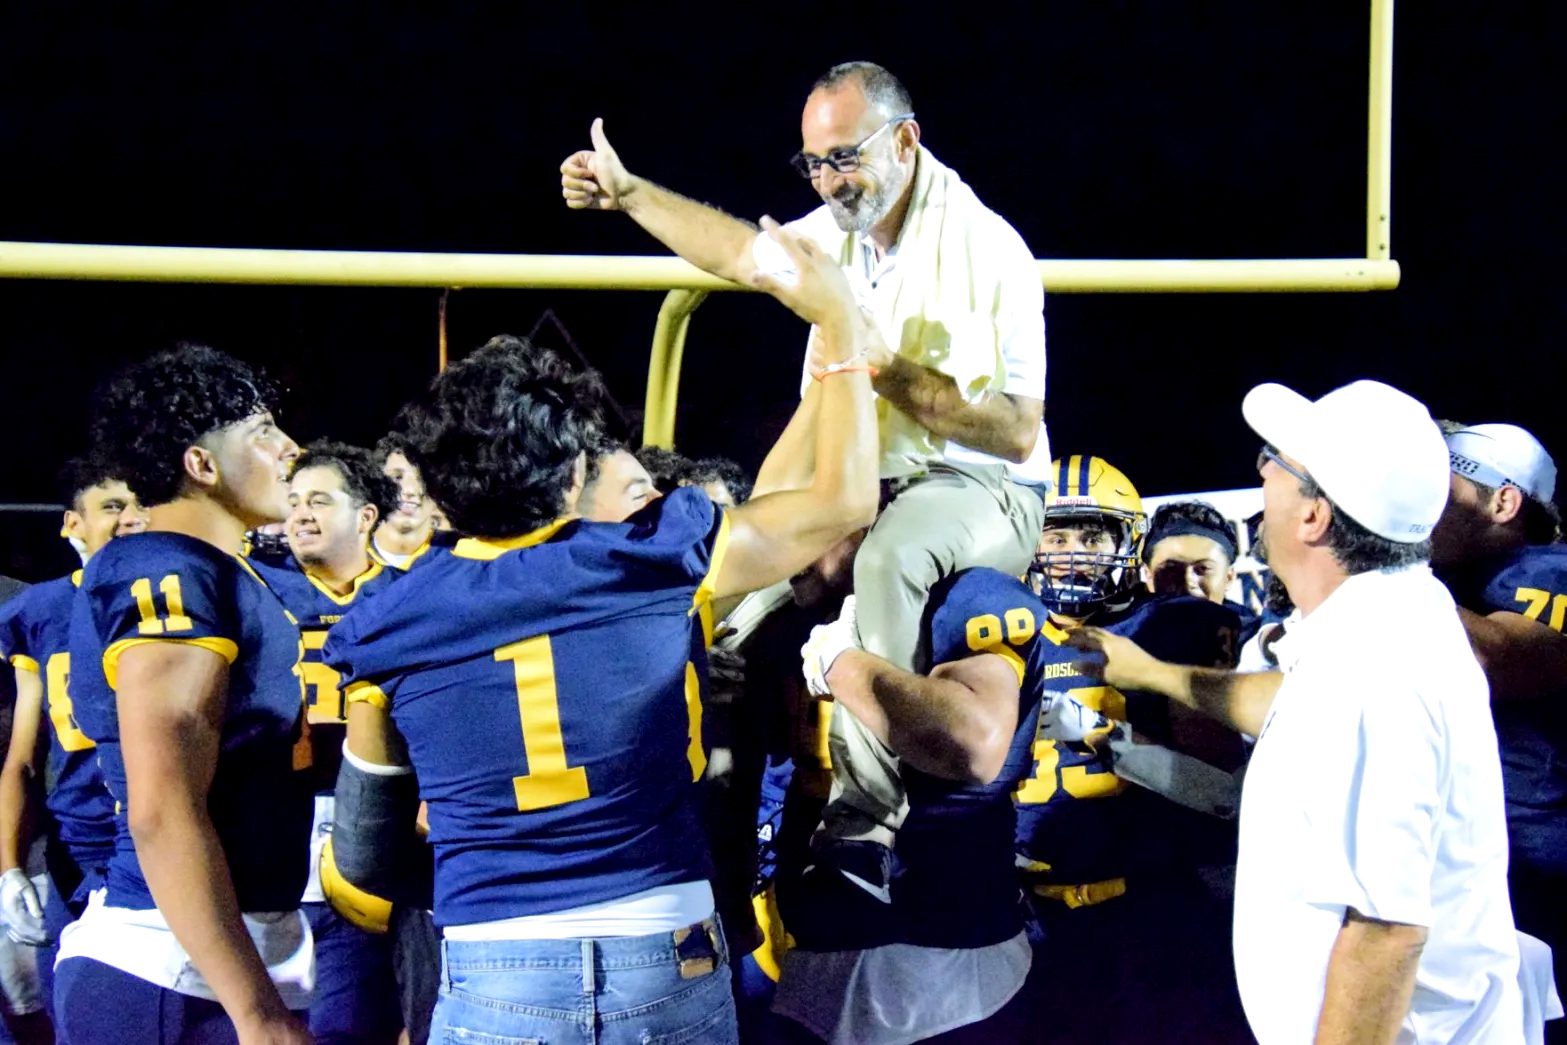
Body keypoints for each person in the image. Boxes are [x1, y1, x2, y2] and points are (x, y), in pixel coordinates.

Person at [322, 221, 879, 1044]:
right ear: (575, 471)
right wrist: (838, 326)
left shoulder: (387, 618)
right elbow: (844, 499)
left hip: (494, 958)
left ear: (436, 486)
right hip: (665, 940)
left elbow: (367, 854)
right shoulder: (652, 556)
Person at [563, 58, 1049, 898]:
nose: (827, 181)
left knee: (887, 558)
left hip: (976, 484)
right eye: (813, 163)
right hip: (859, 477)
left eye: (843, 158)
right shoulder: (838, 230)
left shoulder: (990, 249)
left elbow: (1014, 431)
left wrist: (882, 366)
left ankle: (870, 820)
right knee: (722, 603)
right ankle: (672, 817)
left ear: (905, 140)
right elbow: (740, 253)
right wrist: (631, 193)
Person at [1070, 380, 1525, 1042]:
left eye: (1274, 461)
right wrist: (1152, 673)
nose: (1260, 471)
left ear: (1314, 515)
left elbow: (1386, 934)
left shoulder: (1369, 672)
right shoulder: (1393, 611)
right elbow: (1293, 708)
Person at [55, 344, 314, 1044]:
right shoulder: (170, 566)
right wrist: (257, 1012)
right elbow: (162, 808)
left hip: (210, 961)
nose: (289, 448)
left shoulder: (224, 570)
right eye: (262, 432)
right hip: (172, 971)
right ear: (201, 464)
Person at [1012, 457, 1249, 1044]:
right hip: (1026, 916)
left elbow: (1221, 793)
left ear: (1127, 545)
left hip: (1147, 912)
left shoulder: (1172, 624)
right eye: (1057, 537)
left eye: (1092, 538)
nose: (1073, 555)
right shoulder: (998, 624)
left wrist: (1098, 733)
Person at [249, 440, 406, 1044]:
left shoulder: (408, 594)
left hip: (378, 820)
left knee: (360, 1019)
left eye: (318, 500)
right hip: (277, 824)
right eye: (293, 501)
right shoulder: (257, 590)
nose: (300, 514)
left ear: (365, 516)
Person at [0, 460, 146, 1042]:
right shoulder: (39, 611)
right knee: (70, 1016)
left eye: (139, 505)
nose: (131, 518)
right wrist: (9, 867)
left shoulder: (180, 595)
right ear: (71, 525)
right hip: (79, 847)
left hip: (163, 837)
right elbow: (23, 757)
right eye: (112, 506)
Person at [1431, 421, 1567, 1035]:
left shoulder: (1545, 570)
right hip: (1470, 868)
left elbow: (1495, 661)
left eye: (1440, 486)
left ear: (1504, 501)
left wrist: (1382, 560)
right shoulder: (1448, 582)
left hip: (1534, 873)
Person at [373, 435, 439, 569]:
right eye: (397, 477)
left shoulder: (460, 560)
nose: (410, 490)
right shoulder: (347, 558)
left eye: (422, 479)